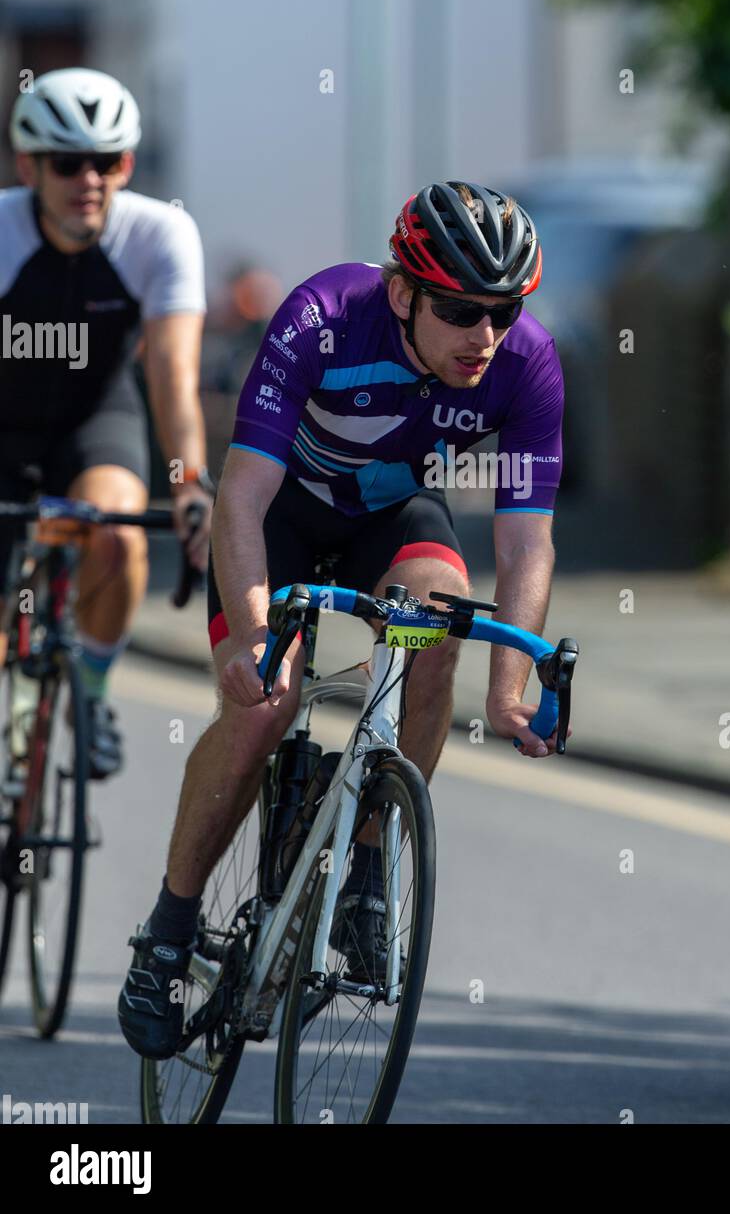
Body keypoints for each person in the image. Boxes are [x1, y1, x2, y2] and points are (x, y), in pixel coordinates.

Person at [118, 180, 564, 1059]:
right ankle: (168, 931)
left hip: (388, 520)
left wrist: (510, 687)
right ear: (403, 292)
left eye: (504, 311)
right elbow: (242, 495)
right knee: (265, 704)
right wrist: (255, 635)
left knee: (432, 631)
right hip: (279, 513)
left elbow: (525, 545)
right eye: (461, 310)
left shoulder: (528, 363)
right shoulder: (322, 315)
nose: (485, 336)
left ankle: (364, 869)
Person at [0, 68, 212, 775]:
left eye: (109, 161)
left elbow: (174, 377)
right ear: (30, 166)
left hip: (97, 420)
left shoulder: (160, 233)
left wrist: (188, 482)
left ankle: (89, 691)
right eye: (68, 163)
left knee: (115, 533)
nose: (89, 179)